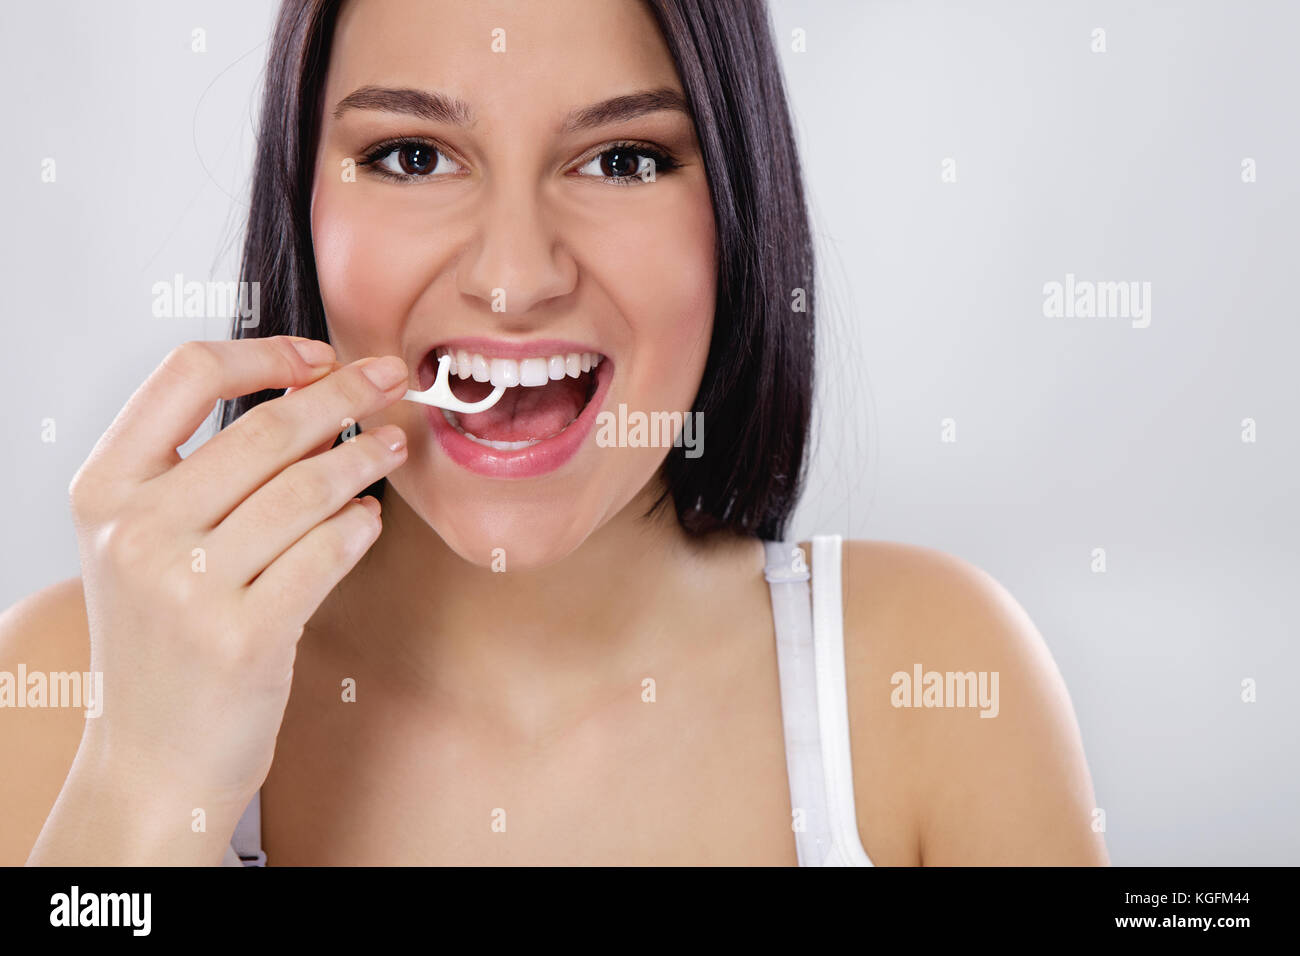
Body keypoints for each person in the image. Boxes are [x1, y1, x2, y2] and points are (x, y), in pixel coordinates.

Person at [4, 0, 1107, 866]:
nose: (515, 278)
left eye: (622, 158)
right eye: (412, 156)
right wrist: (146, 786)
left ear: (733, 202)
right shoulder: (75, 684)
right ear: (302, 206)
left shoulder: (934, 677)